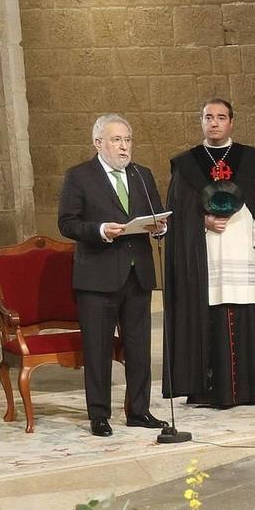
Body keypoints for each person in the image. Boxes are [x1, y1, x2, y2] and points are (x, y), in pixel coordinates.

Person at [162, 97, 255, 410]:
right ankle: (208, 389)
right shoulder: (186, 165)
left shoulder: (250, 162)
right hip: (206, 259)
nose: (214, 122)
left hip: (243, 255)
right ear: (201, 122)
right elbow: (177, 213)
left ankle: (251, 387)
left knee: (246, 319)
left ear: (231, 122)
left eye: (221, 117)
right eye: (208, 117)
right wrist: (200, 220)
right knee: (210, 320)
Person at [57, 114, 167, 436]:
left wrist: (160, 229)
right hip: (97, 276)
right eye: (116, 140)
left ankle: (139, 410)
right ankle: (99, 415)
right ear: (98, 143)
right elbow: (67, 223)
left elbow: (154, 215)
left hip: (138, 274)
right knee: (98, 349)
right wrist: (101, 230)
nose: (124, 147)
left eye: (127, 140)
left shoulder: (142, 174)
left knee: (139, 348)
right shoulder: (79, 176)